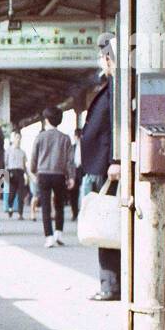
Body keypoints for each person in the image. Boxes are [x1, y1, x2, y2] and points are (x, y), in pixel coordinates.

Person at [78, 33, 122, 300]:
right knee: (111, 226)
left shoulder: (118, 87)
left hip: (110, 167)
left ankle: (111, 286)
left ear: (108, 58)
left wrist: (115, 161)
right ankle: (113, 283)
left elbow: (118, 127)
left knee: (109, 227)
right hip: (103, 166)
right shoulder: (112, 86)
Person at [29, 107, 74, 247]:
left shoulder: (40, 137)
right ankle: (58, 233)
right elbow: (69, 160)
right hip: (59, 175)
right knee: (59, 205)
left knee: (46, 207)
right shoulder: (65, 138)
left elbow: (33, 158)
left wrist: (33, 171)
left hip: (43, 174)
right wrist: (71, 176)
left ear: (46, 120)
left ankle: (48, 236)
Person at [5, 130, 28, 218]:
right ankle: (10, 207)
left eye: (19, 138)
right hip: (11, 173)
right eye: (17, 138)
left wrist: (26, 175)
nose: (18, 140)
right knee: (12, 193)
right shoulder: (8, 151)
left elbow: (24, 164)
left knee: (21, 194)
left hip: (20, 172)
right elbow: (5, 163)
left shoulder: (22, 152)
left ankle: (20, 213)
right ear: (13, 138)